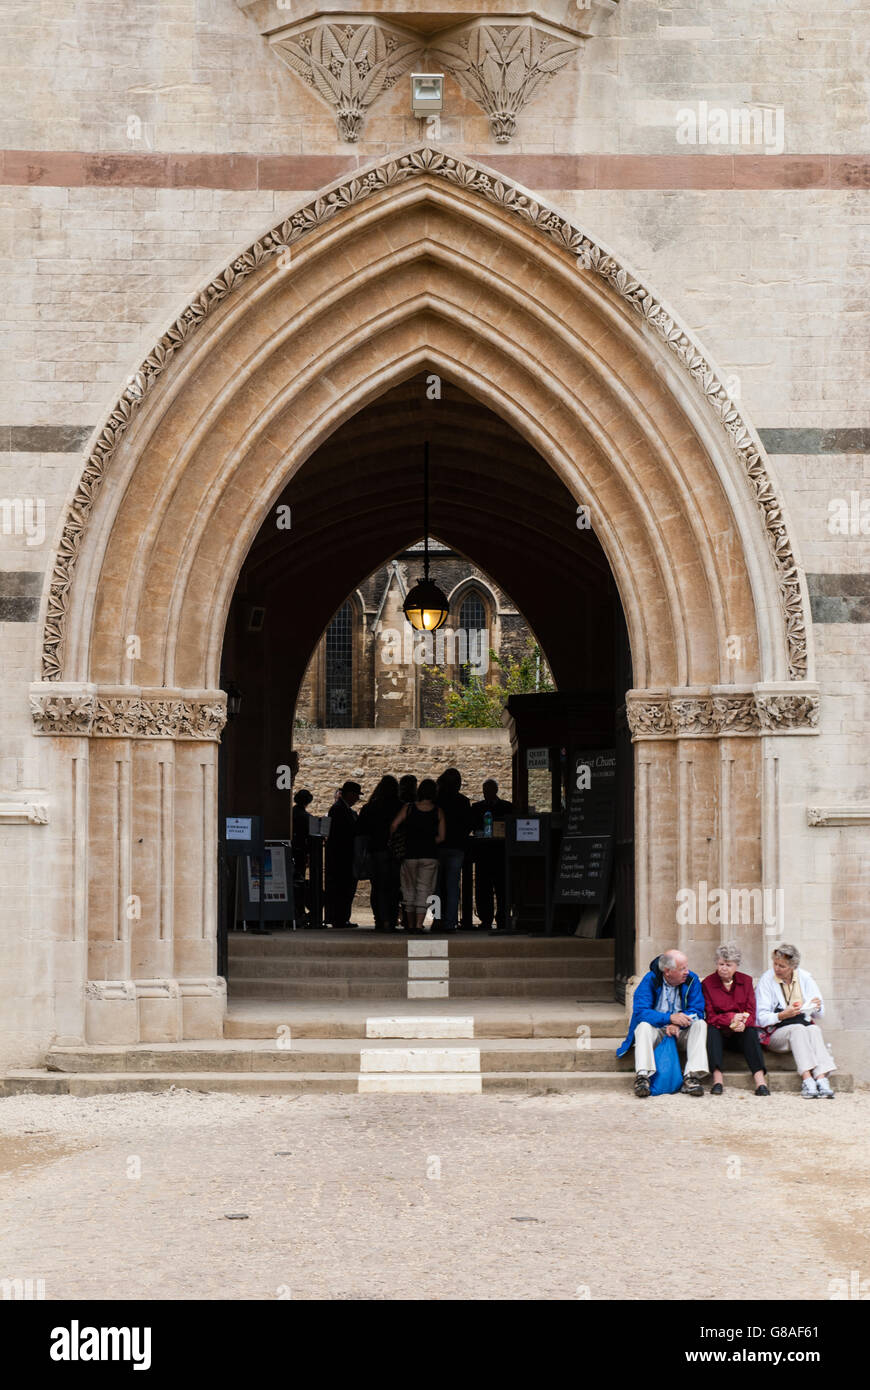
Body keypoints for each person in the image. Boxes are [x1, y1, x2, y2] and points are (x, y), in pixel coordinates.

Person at [616, 949, 708, 1097]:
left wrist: (677, 1023)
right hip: (657, 1031)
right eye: (682, 969)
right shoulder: (651, 979)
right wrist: (669, 1018)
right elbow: (641, 1012)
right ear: (667, 971)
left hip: (680, 1031)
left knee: (700, 1024)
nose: (687, 971)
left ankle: (692, 1077)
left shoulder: (692, 979)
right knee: (643, 1027)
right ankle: (643, 1077)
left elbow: (698, 1010)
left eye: (687, 967)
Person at [756, 943, 836, 1098]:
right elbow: (761, 1018)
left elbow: (820, 1013)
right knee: (798, 1029)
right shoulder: (767, 980)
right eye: (775, 964)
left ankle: (821, 1079)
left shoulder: (805, 977)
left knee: (814, 1029)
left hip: (803, 1027)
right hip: (775, 1034)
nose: (777, 969)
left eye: (782, 966)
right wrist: (782, 1015)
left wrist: (816, 1006)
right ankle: (807, 1080)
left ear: (793, 967)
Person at [702, 944, 768, 1095]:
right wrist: (730, 1018)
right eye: (721, 964)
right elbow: (710, 1016)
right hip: (720, 1033)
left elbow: (751, 1012)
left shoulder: (746, 981)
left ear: (736, 966)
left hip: (740, 1033)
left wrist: (743, 1024)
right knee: (712, 1030)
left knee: (750, 1031)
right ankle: (718, 1081)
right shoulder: (707, 984)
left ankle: (760, 1082)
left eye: (728, 965)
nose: (724, 968)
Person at [390, 778, 445, 932]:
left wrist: (401, 839)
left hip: (410, 853)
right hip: (429, 854)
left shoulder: (408, 808)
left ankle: (410, 923)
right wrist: (428, 840)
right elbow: (441, 837)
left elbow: (394, 825)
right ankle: (418, 924)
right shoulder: (438, 811)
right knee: (424, 889)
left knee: (408, 889)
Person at [356, 775, 402, 931]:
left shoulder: (370, 808)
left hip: (376, 850)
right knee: (394, 887)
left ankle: (381, 920)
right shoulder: (402, 807)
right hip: (396, 852)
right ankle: (392, 918)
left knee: (378, 887)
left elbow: (361, 832)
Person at [470, 779, 513, 930]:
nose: (486, 793)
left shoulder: (508, 807)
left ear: (495, 790)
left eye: (488, 790)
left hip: (500, 853)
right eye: (484, 790)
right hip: (484, 853)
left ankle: (502, 918)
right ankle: (486, 919)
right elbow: (473, 827)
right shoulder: (476, 808)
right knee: (483, 888)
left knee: (502, 888)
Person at [436, 768, 472, 931]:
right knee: (452, 886)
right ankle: (450, 922)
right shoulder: (463, 801)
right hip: (456, 847)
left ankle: (437, 920)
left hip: (437, 847)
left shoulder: (436, 800)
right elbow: (468, 824)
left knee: (435, 887)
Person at [325, 780, 361, 929]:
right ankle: (339, 918)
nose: (357, 799)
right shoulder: (339, 809)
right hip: (342, 856)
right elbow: (342, 834)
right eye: (356, 795)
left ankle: (341, 917)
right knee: (343, 889)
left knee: (345, 889)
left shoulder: (342, 809)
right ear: (350, 795)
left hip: (343, 856)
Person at [291, 788, 313, 926]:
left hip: (292, 850)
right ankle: (299, 911)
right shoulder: (306, 817)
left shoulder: (290, 813)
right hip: (300, 852)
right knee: (299, 881)